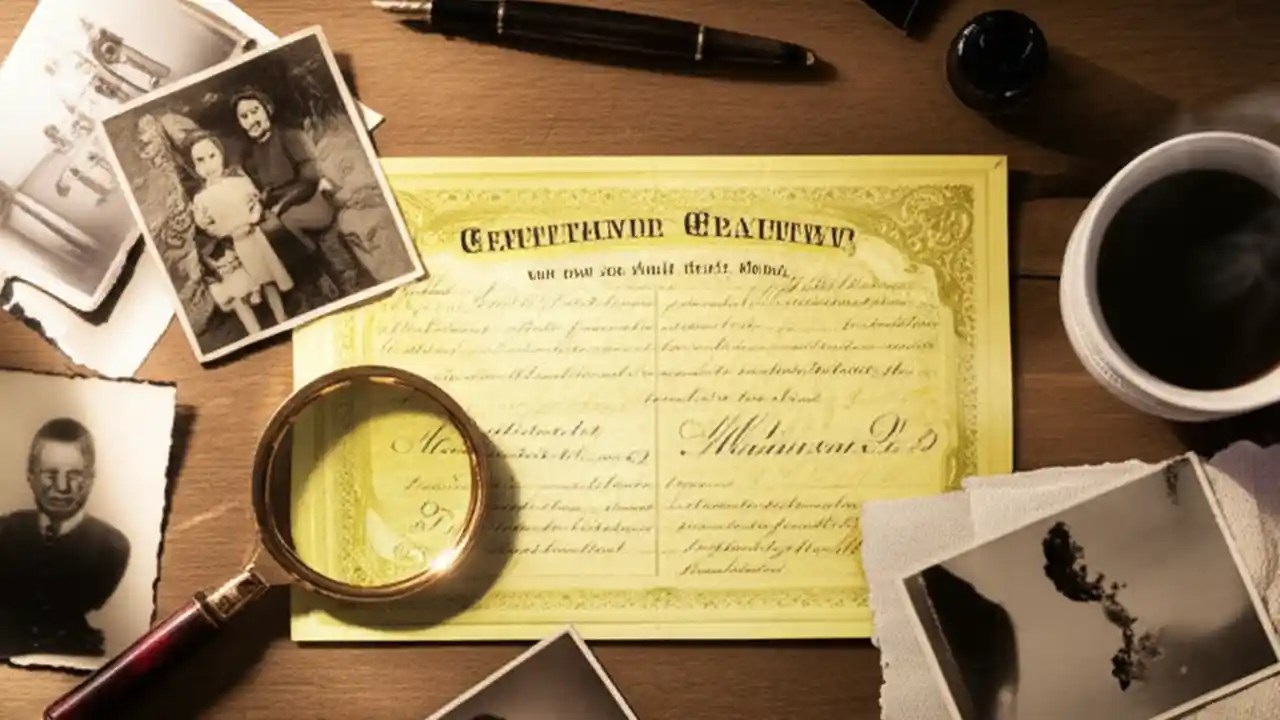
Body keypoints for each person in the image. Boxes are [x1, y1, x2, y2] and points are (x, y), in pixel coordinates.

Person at [0, 419, 130, 658]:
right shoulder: (4, 532)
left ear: (91, 478)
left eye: (75, 474)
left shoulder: (112, 547)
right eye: (50, 474)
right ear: (30, 476)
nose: (62, 486)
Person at [232, 88, 360, 294]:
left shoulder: (292, 137)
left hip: (312, 199)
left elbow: (310, 181)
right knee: (260, 232)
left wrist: (280, 206)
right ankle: (316, 279)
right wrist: (258, 201)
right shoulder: (251, 155)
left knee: (284, 223)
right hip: (283, 207)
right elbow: (265, 190)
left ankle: (340, 273)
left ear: (268, 110)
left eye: (255, 111)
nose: (250, 120)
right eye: (244, 116)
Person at [187, 131, 292, 327]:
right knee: (238, 289)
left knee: (266, 277)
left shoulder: (239, 182)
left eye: (212, 156)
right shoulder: (201, 199)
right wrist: (226, 234)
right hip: (231, 245)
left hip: (251, 236)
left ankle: (281, 316)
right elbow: (205, 224)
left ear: (221, 155)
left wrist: (251, 220)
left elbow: (254, 203)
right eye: (200, 161)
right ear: (195, 166)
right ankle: (254, 329)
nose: (208, 165)